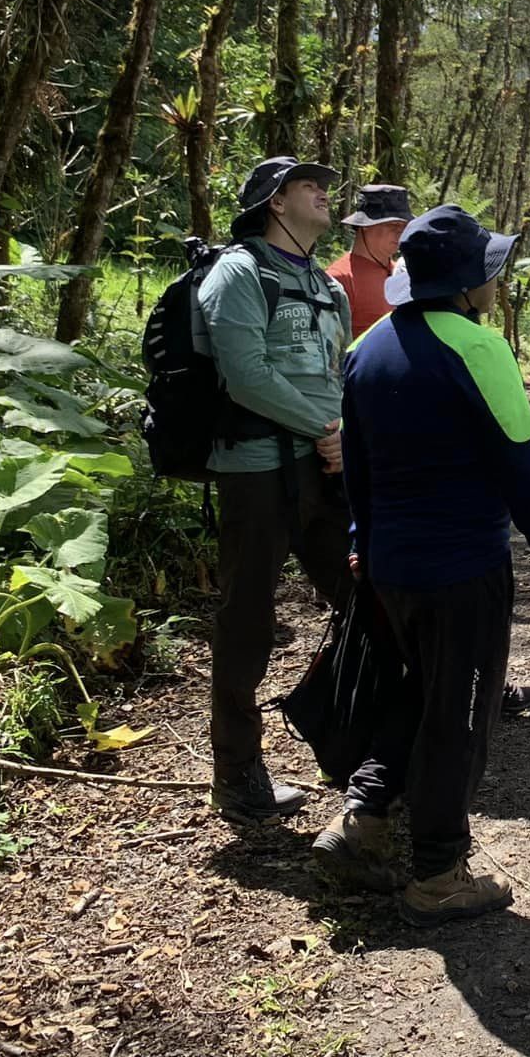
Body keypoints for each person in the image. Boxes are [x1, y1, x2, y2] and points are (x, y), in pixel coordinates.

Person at [328, 205, 530, 926]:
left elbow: (358, 469)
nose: (497, 278)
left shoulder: (367, 347)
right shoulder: (478, 347)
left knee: (414, 688)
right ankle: (438, 871)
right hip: (462, 567)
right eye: (490, 268)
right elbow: (520, 464)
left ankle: (363, 818)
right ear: (469, 280)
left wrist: (360, 539)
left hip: (389, 565)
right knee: (460, 715)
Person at [194, 156, 352, 821]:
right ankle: (236, 776)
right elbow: (246, 375)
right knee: (248, 621)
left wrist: (349, 437)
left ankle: (356, 743)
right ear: (274, 203)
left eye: (321, 184)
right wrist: (326, 427)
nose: (323, 192)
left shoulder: (326, 285)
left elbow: (339, 373)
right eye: (306, 186)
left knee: (366, 598)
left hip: (324, 468)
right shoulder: (239, 270)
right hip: (256, 470)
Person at [326, 182, 411, 339]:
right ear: (365, 225)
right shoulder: (340, 279)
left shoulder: (403, 273)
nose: (401, 231)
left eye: (405, 225)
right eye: (393, 224)